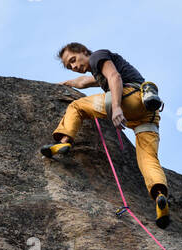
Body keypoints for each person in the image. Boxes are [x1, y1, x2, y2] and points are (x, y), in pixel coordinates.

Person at [42, 42, 172, 228]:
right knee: (148, 159)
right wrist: (62, 84)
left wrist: (117, 108)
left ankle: (65, 141)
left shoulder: (98, 56)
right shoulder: (96, 67)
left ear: (83, 51)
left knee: (76, 106)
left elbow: (114, 76)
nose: (74, 66)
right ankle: (160, 196)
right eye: (70, 67)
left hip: (129, 99)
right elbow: (84, 82)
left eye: (73, 60)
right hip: (149, 112)